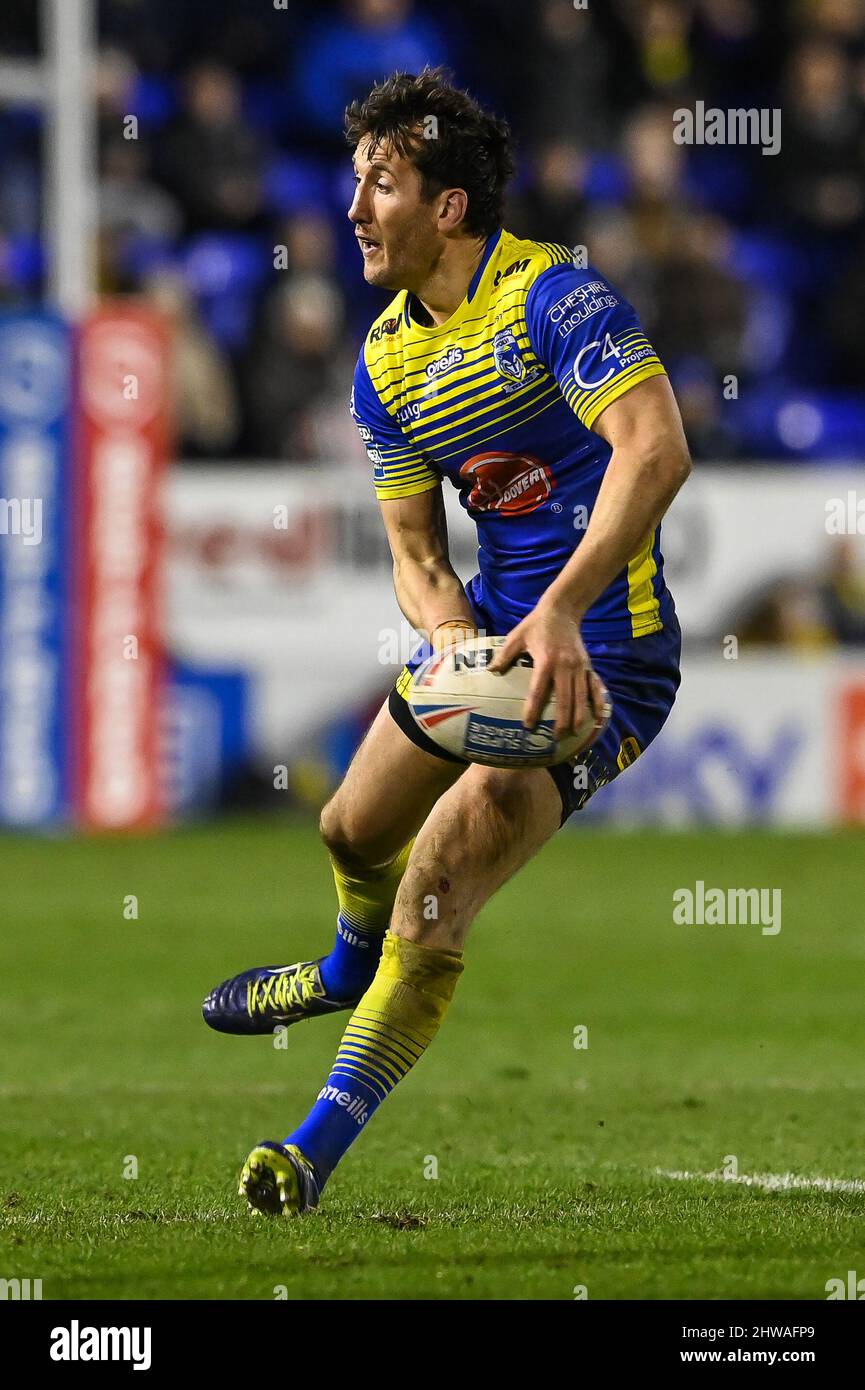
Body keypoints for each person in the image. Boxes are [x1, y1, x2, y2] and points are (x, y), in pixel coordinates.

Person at [202, 67, 691, 1216]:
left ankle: (307, 1150)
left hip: (601, 666)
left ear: (449, 207)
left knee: (435, 886)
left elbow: (655, 449)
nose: (354, 208)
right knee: (347, 823)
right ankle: (337, 966)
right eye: (354, 182)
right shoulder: (384, 361)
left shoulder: (552, 302)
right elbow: (416, 554)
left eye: (380, 184)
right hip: (497, 649)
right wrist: (455, 641)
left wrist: (560, 607)